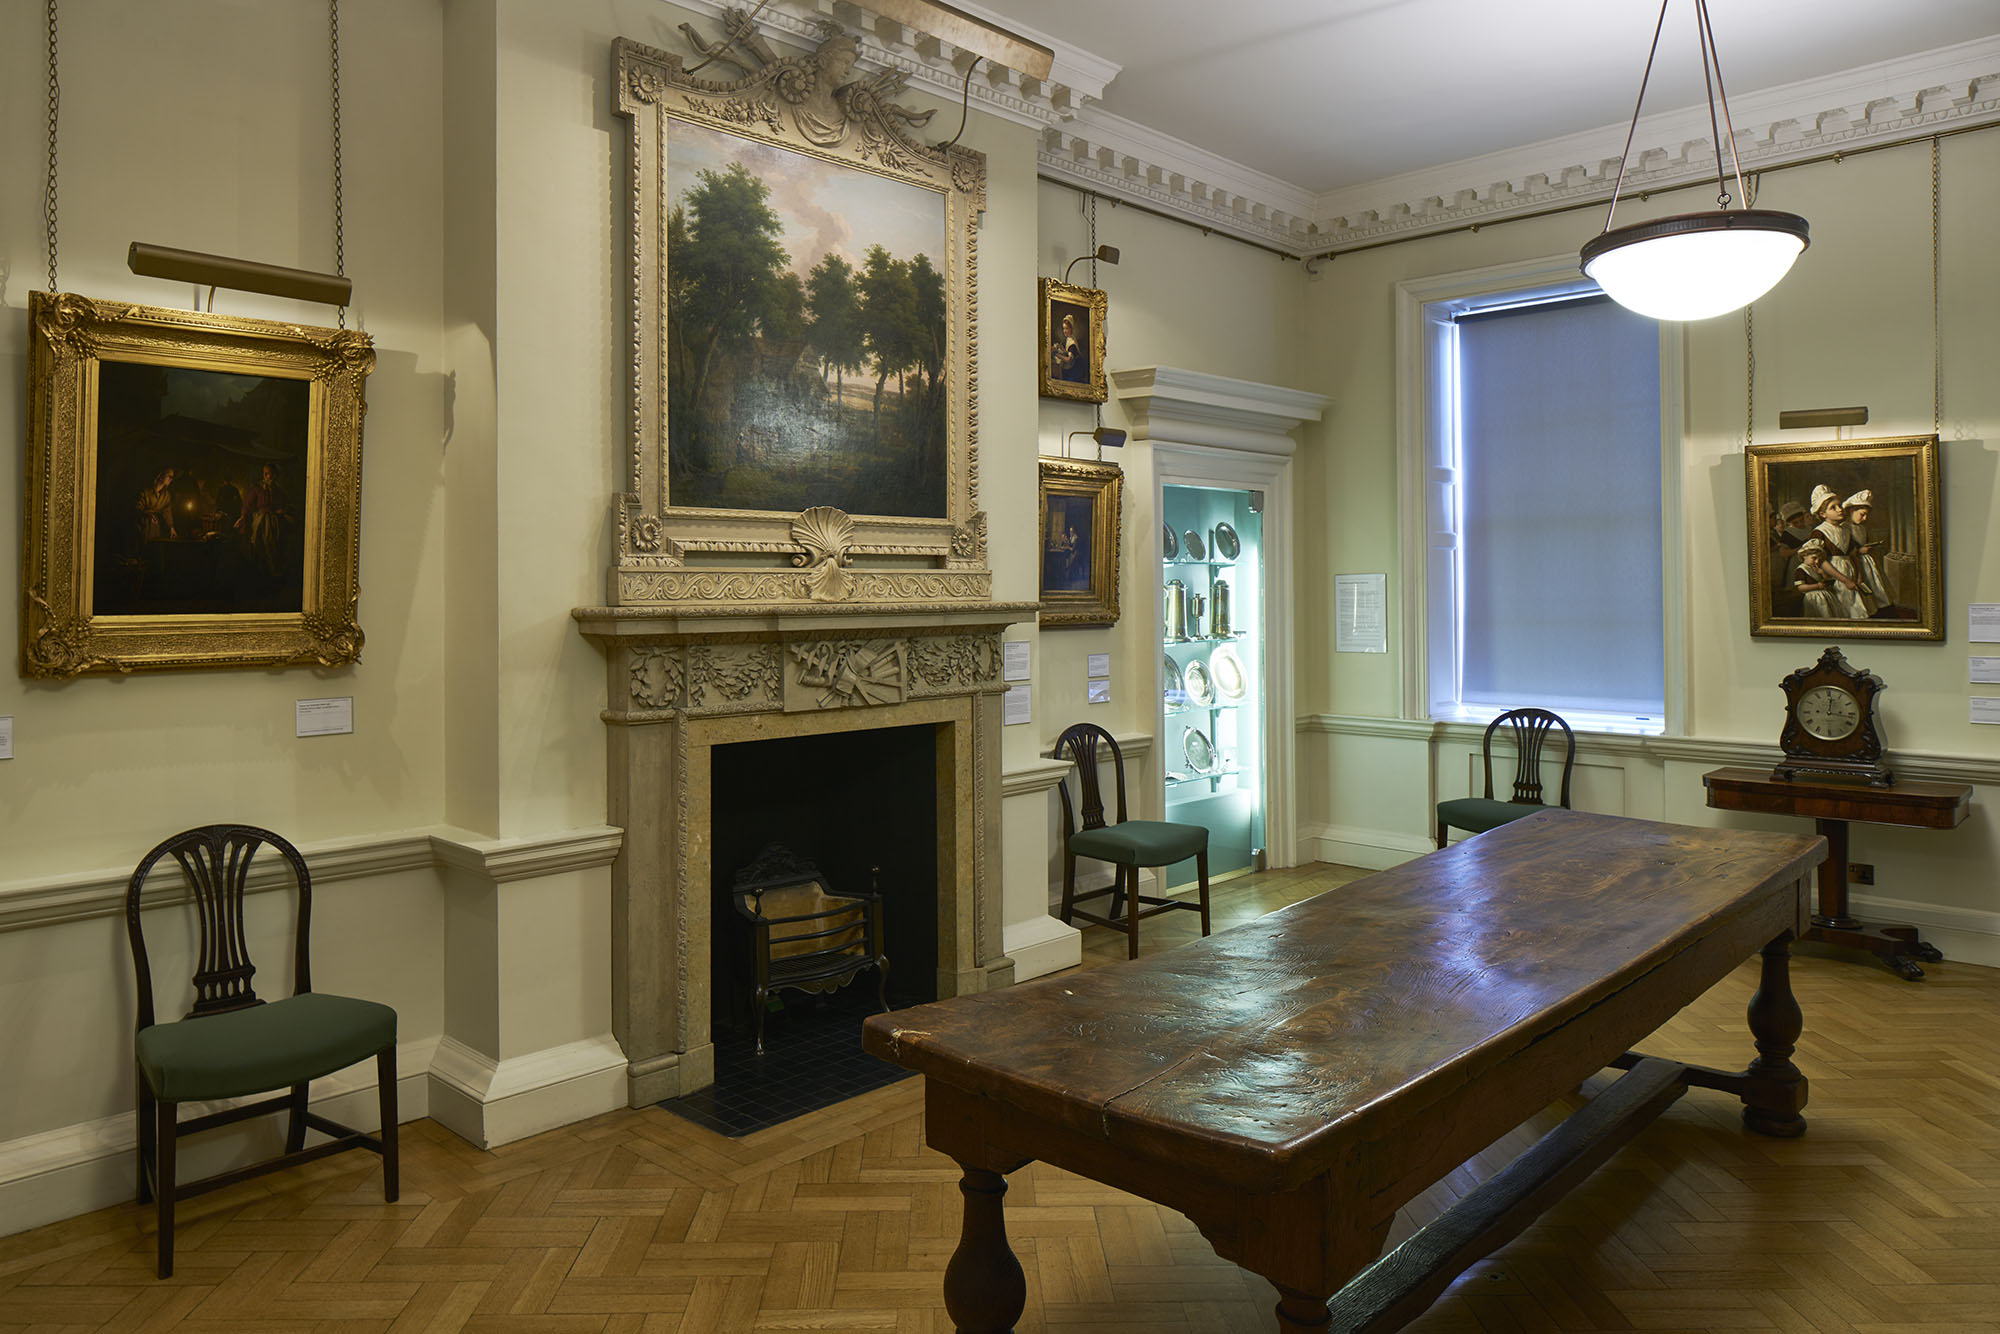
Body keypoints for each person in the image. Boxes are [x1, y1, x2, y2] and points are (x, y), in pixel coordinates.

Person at [1794, 484, 1875, 619]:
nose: (1839, 509)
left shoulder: (1846, 530)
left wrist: (1859, 576)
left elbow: (1853, 554)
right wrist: (1844, 580)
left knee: (1857, 609)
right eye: (1833, 508)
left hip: (1850, 571)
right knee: (1842, 609)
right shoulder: (1819, 532)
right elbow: (1821, 561)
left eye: (1839, 505)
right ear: (1822, 514)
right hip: (1834, 574)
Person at [1843, 489, 1901, 614]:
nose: (1865, 518)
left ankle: (1881, 609)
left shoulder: (1863, 528)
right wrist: (1859, 550)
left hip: (1867, 562)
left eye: (1867, 515)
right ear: (1851, 510)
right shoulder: (1844, 528)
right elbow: (1845, 549)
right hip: (1855, 563)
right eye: (1862, 514)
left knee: (1876, 588)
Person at [237, 463, 292, 577]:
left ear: (274, 475)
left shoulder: (278, 490)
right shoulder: (258, 489)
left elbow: (284, 503)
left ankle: (273, 573)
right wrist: (243, 516)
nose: (266, 476)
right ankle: (261, 573)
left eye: (269, 473)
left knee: (274, 546)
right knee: (261, 544)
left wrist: (282, 510)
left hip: (275, 522)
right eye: (265, 474)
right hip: (261, 521)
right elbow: (248, 504)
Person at [136, 467, 177, 541]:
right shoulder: (146, 491)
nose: (171, 479)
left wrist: (171, 527)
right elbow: (138, 507)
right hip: (142, 525)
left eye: (172, 477)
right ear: (161, 475)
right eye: (169, 476)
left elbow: (167, 512)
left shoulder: (166, 495)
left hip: (155, 527)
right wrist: (147, 513)